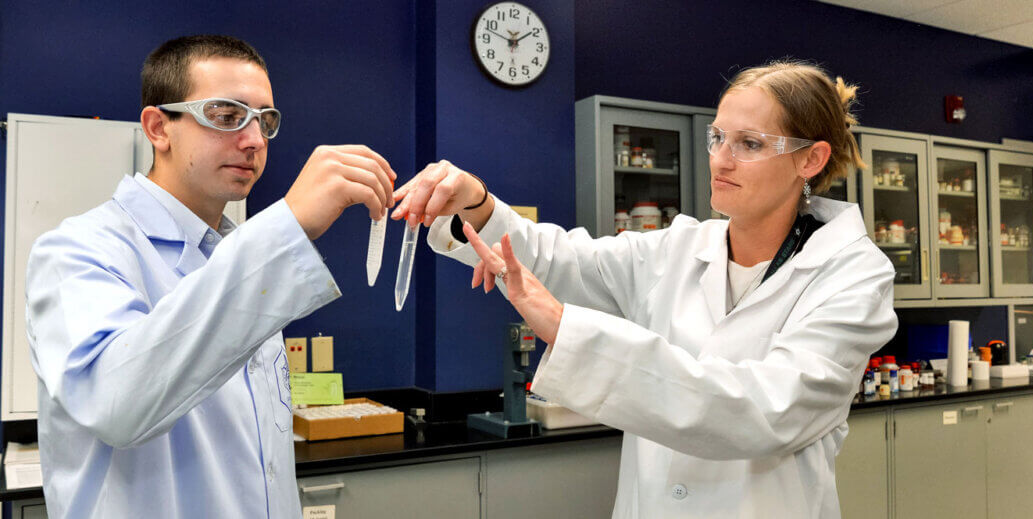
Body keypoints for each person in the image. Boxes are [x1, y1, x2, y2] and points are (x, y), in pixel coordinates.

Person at [393, 60, 898, 517]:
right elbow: (561, 259)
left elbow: (765, 411)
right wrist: (476, 203)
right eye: (718, 137)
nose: (720, 160)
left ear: (809, 160)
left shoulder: (851, 275)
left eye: (749, 144)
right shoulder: (677, 249)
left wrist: (571, 330)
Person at [26, 35, 396, 518]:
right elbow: (117, 403)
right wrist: (289, 224)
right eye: (226, 116)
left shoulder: (236, 255)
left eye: (264, 120)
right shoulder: (78, 251)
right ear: (158, 127)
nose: (254, 139)